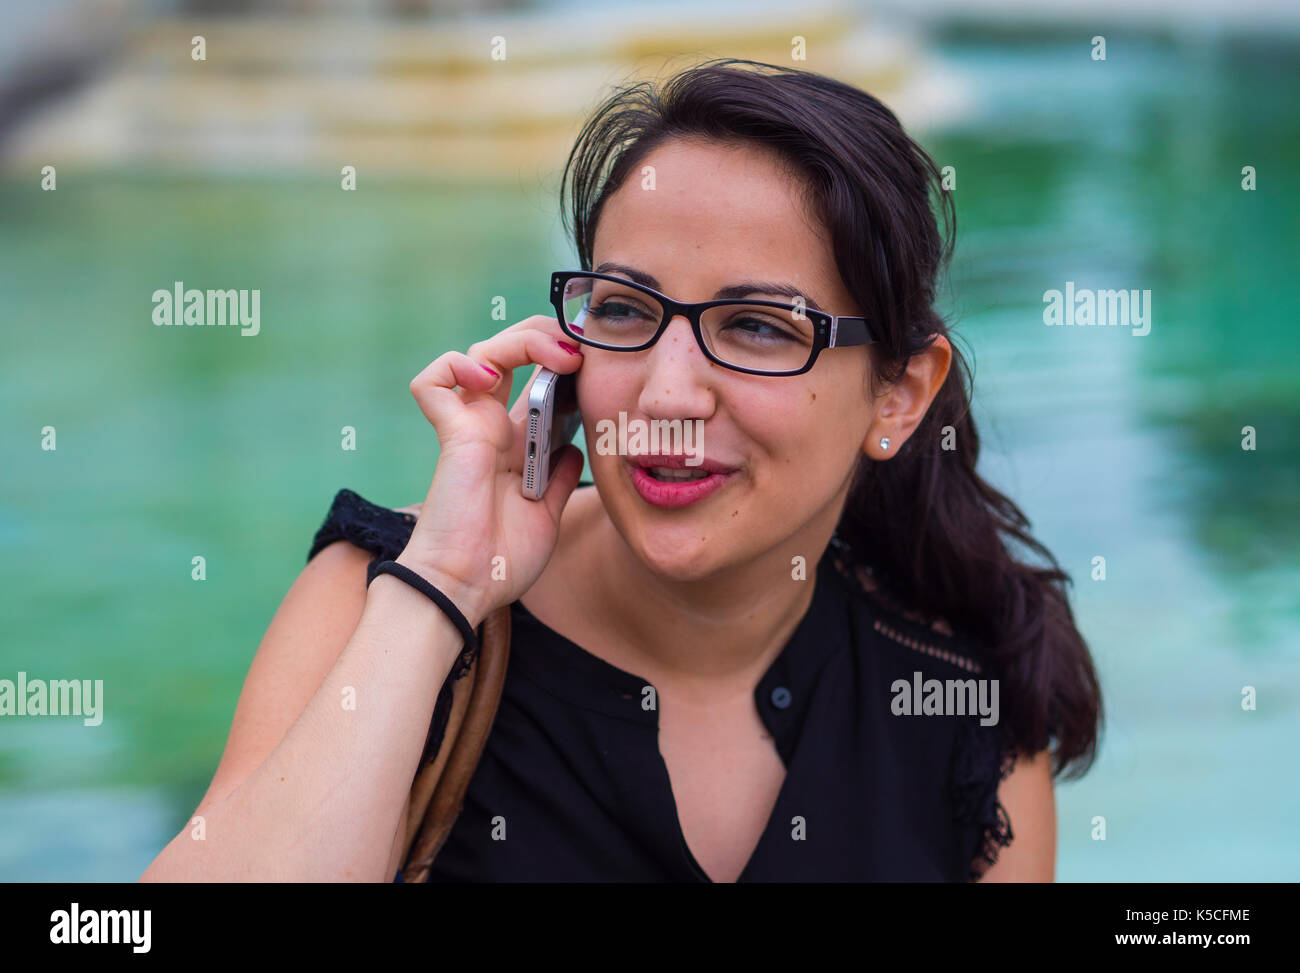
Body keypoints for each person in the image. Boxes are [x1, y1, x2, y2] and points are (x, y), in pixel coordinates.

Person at [141, 58, 1101, 883]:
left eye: (758, 327)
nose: (667, 393)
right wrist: (446, 582)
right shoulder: (382, 598)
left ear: (899, 395)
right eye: (626, 310)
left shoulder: (959, 710)